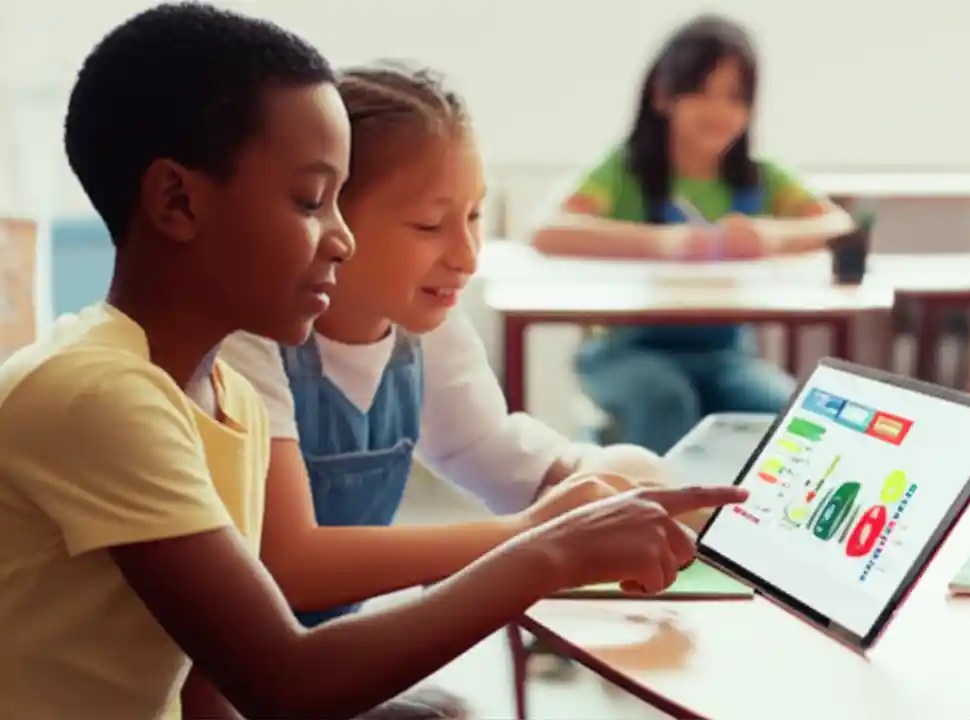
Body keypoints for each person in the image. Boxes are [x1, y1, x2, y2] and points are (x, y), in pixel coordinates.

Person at [0, 5, 745, 719]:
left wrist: (563, 519)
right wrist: (546, 546)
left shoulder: (225, 396)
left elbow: (208, 687)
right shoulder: (99, 393)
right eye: (312, 201)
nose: (342, 239)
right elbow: (283, 682)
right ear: (177, 202)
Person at [220, 62, 677, 630]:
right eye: (430, 225)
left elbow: (485, 445)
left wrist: (597, 475)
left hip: (315, 658)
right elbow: (289, 563)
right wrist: (535, 535)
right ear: (326, 214)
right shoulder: (244, 343)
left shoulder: (421, 328)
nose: (467, 255)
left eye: (475, 215)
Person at [531, 14, 852, 455]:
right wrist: (665, 243)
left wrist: (768, 236)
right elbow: (548, 231)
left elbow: (837, 224)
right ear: (664, 95)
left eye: (735, 97)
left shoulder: (758, 177)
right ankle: (650, 519)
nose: (719, 112)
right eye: (702, 93)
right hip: (621, 352)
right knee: (663, 398)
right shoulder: (626, 170)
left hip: (725, 354)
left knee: (788, 408)